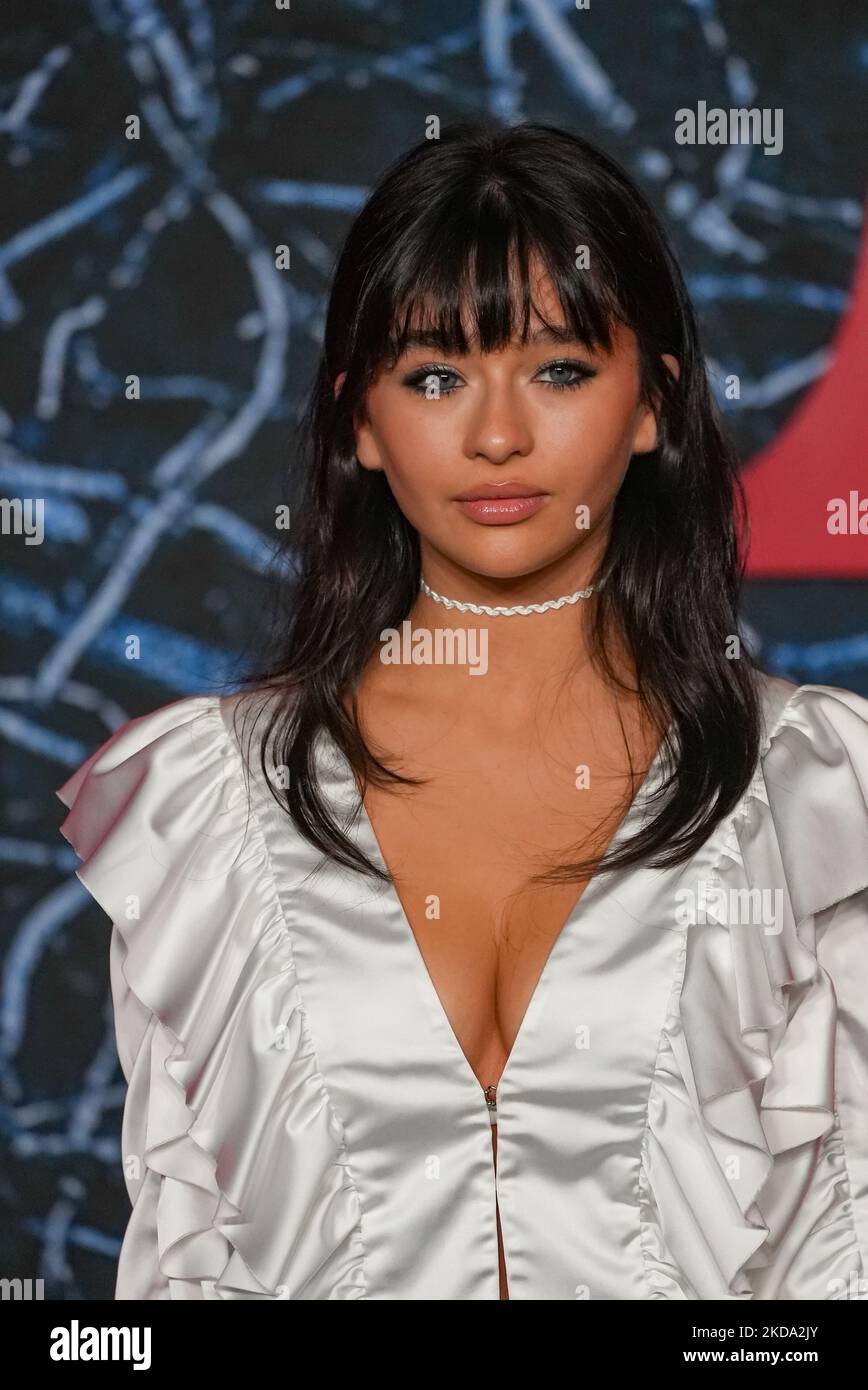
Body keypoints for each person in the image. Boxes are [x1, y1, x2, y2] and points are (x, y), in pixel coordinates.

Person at [56, 121, 868, 1301]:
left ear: (653, 404)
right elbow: (180, 1265)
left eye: (560, 369)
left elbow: (839, 1249)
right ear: (360, 422)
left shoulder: (813, 789)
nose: (496, 435)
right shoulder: (207, 806)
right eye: (436, 375)